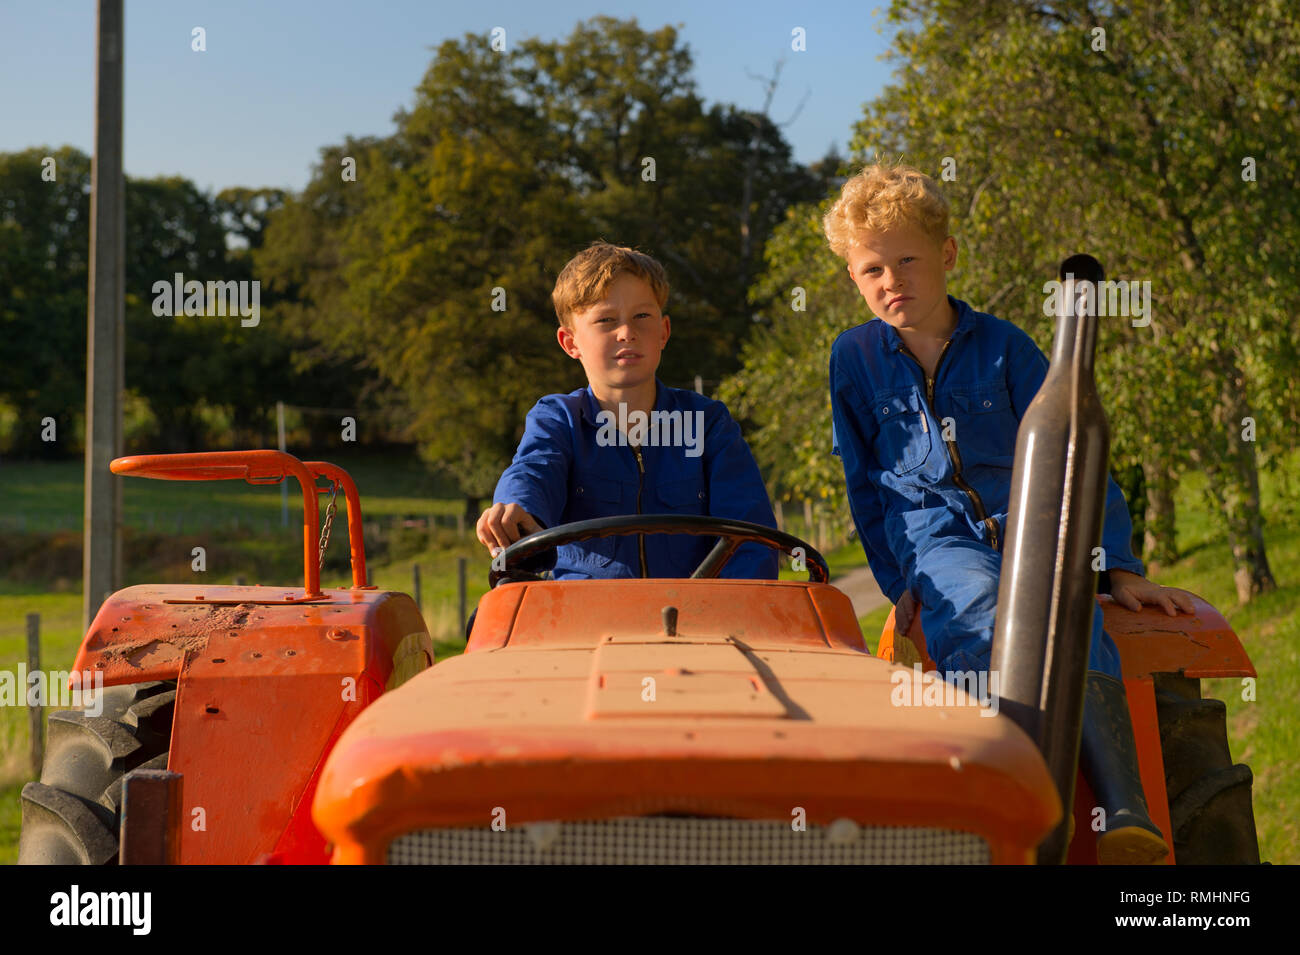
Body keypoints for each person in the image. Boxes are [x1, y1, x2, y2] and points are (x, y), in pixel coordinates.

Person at [824, 162, 1194, 864]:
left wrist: (1114, 566)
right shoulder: (854, 359)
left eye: (908, 260)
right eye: (872, 269)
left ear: (948, 256)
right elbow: (863, 482)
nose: (891, 280)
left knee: (1068, 607)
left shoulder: (1005, 347)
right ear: (852, 277)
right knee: (984, 607)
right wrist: (896, 578)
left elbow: (1078, 456)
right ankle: (1015, 806)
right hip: (936, 541)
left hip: (1031, 525)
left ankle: (1127, 808)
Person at [476, 241, 778, 580]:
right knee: (487, 625)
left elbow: (752, 538)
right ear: (570, 342)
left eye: (642, 316)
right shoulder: (558, 420)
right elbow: (533, 471)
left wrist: (728, 613)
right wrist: (516, 507)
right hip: (583, 623)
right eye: (606, 320)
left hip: (695, 622)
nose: (627, 333)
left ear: (663, 332)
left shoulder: (706, 423)